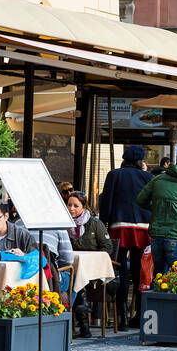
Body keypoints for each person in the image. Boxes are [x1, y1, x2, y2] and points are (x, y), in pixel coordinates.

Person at [98, 144, 152, 330]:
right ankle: (138, 314)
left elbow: (107, 201)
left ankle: (122, 319)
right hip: (143, 228)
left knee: (120, 272)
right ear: (139, 161)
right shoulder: (147, 177)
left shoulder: (114, 175)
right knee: (139, 273)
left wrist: (103, 225)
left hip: (119, 227)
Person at [136, 149, 177, 275]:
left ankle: (154, 295)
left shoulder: (158, 179)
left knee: (159, 275)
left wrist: (157, 208)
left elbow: (140, 200)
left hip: (157, 235)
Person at [64, 192, 114, 337]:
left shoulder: (94, 223)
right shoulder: (64, 224)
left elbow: (107, 247)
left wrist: (93, 259)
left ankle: (83, 326)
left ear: (84, 207)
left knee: (77, 280)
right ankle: (81, 325)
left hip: (94, 271)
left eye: (75, 206)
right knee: (70, 279)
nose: (71, 209)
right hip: (71, 268)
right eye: (69, 205)